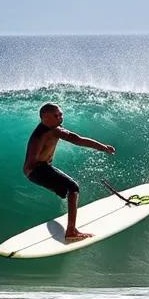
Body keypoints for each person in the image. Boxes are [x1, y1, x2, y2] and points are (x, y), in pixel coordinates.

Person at [22, 103, 115, 241]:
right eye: (56, 115)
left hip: (34, 172)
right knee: (74, 187)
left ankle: (69, 215)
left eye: (61, 114)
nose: (60, 117)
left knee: (65, 191)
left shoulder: (48, 128)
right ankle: (71, 231)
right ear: (44, 118)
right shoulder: (53, 130)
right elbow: (77, 139)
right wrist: (103, 147)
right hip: (37, 170)